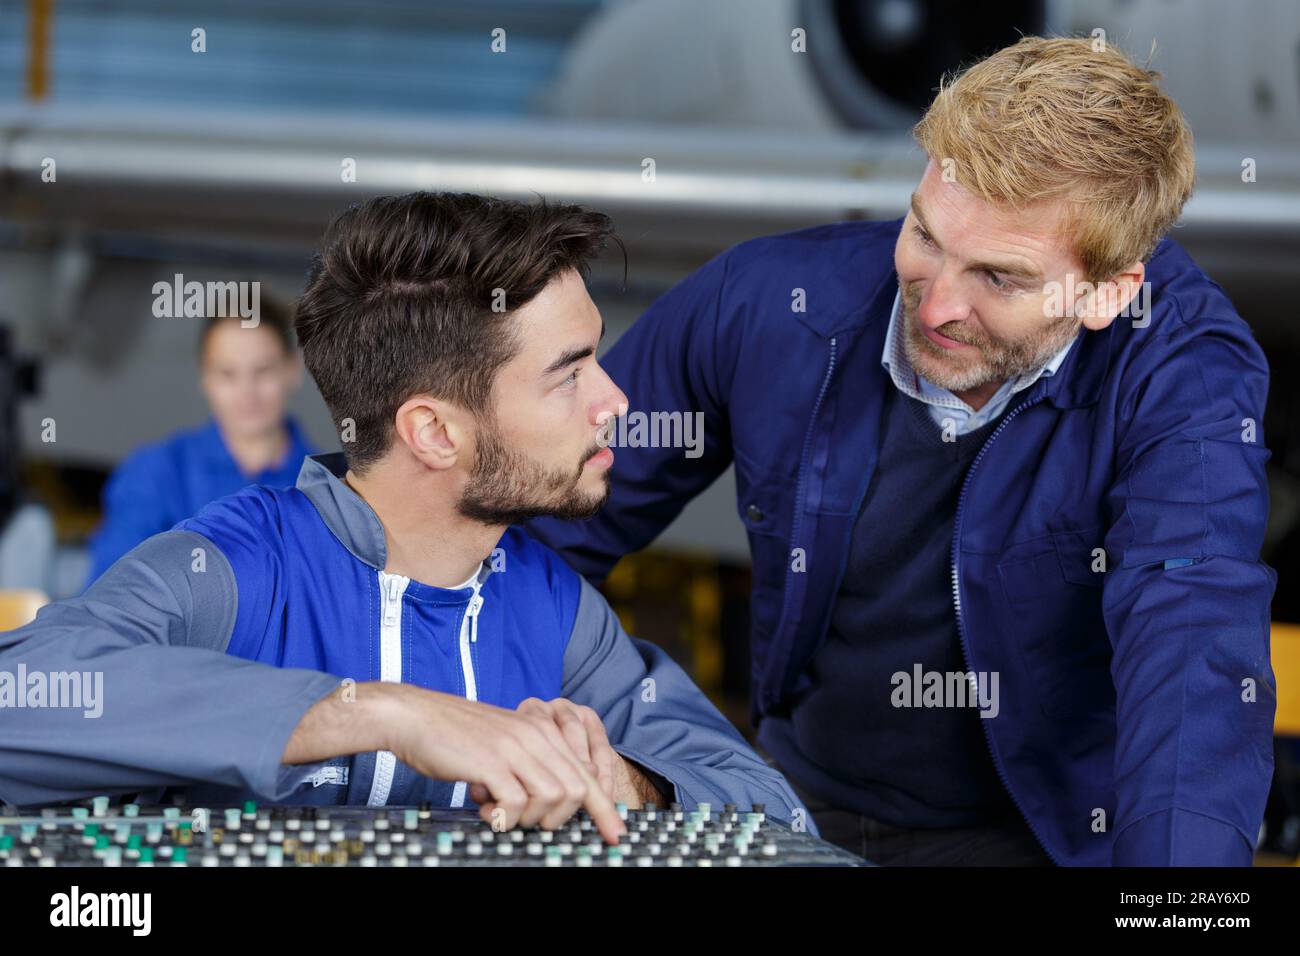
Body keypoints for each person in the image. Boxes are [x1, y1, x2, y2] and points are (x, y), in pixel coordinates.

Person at [526, 36, 1278, 865]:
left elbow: (1190, 654)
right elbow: (540, 522)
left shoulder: (1184, 376)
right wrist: (516, 731)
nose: (935, 307)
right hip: (796, 806)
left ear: (1107, 292)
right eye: (925, 237)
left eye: (999, 277)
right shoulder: (764, 306)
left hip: (1049, 840)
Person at [0, 193, 807, 844]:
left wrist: (630, 784)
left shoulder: (556, 614)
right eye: (569, 375)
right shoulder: (232, 571)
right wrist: (385, 713)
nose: (616, 402)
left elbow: (775, 815)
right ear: (434, 432)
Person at [83, 294, 316, 589]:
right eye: (228, 374)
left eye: (263, 371)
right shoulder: (155, 473)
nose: (247, 392)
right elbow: (106, 597)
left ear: (292, 369)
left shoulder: (331, 487)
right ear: (205, 378)